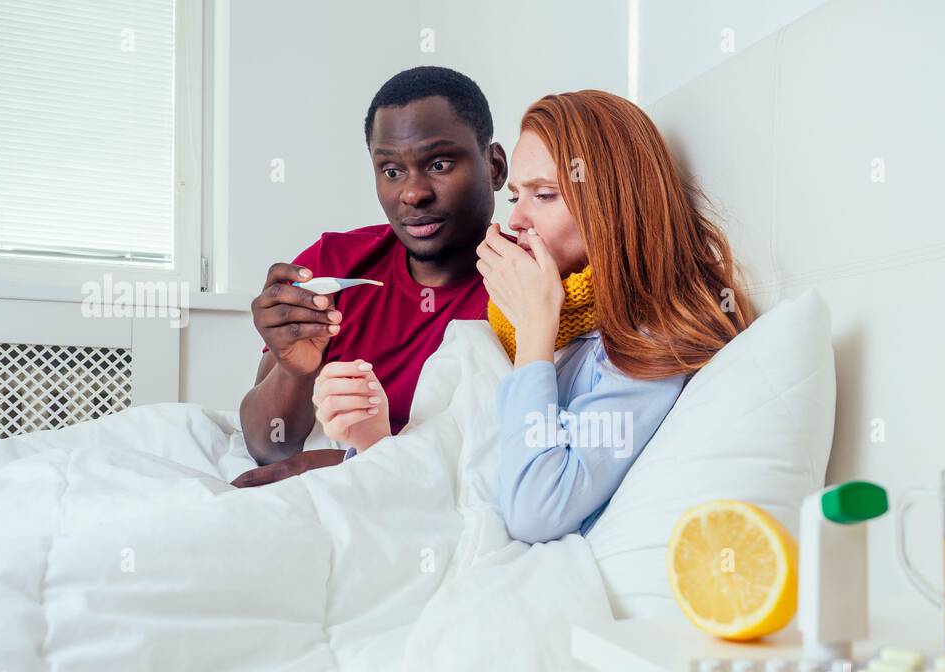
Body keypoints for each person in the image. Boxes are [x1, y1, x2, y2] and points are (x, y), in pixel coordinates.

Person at [314, 90, 755, 543]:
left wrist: (535, 329)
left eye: (544, 195)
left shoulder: (649, 347)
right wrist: (374, 439)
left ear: (614, 207)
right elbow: (456, 473)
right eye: (514, 198)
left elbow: (535, 512)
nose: (517, 220)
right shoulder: (529, 318)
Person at [232, 66, 507, 487]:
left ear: (494, 166)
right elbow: (269, 446)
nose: (412, 193)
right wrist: (295, 370)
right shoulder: (331, 264)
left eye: (438, 163)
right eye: (391, 171)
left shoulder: (522, 286)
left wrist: (346, 461)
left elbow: (500, 457)